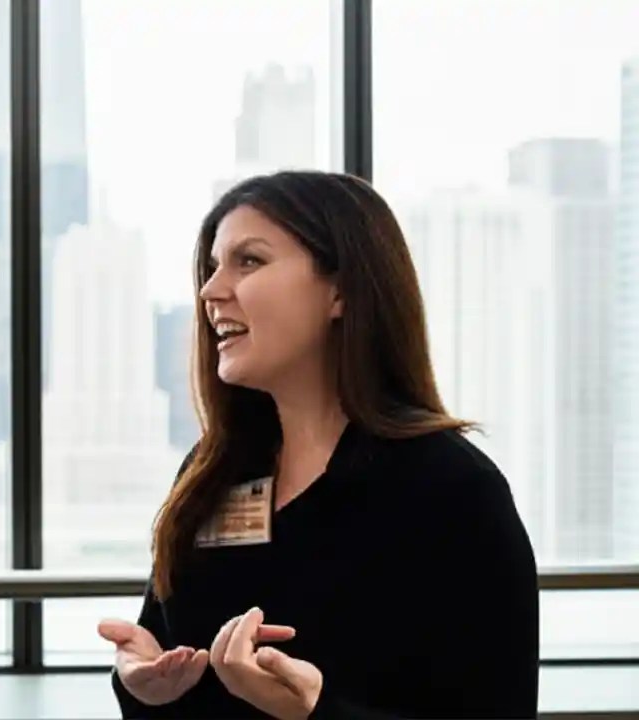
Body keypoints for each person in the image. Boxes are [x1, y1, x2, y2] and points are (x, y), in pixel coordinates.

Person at [98, 171, 539, 719]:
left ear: (342, 290)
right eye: (213, 267)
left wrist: (314, 711)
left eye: (249, 261)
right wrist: (147, 688)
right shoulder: (215, 470)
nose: (211, 290)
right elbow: (170, 659)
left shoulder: (453, 489)